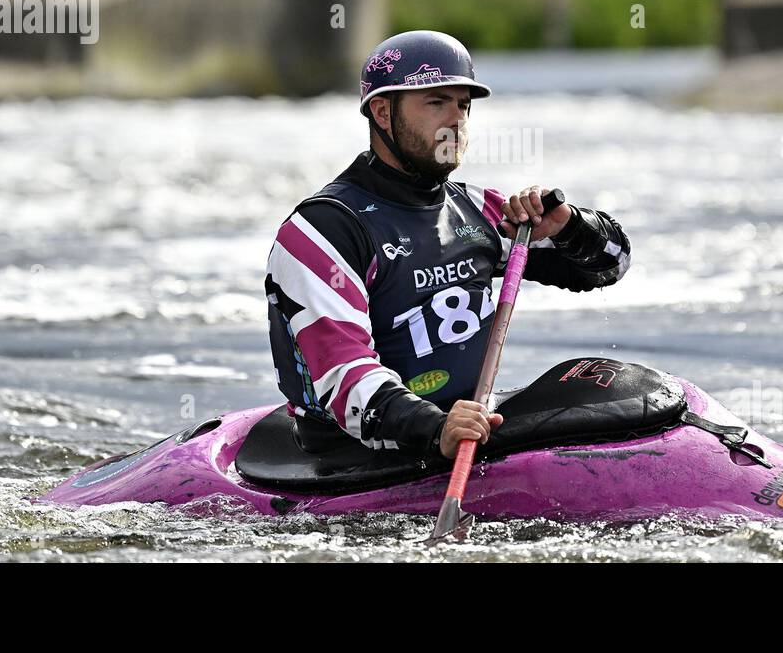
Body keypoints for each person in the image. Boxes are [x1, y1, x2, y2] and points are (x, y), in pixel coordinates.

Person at [265, 30, 632, 461]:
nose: (455, 120)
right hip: (357, 454)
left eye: (463, 105)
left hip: (466, 427)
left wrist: (569, 227)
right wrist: (436, 428)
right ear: (383, 113)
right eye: (436, 103)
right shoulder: (321, 231)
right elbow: (344, 377)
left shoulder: (477, 208)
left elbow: (611, 266)